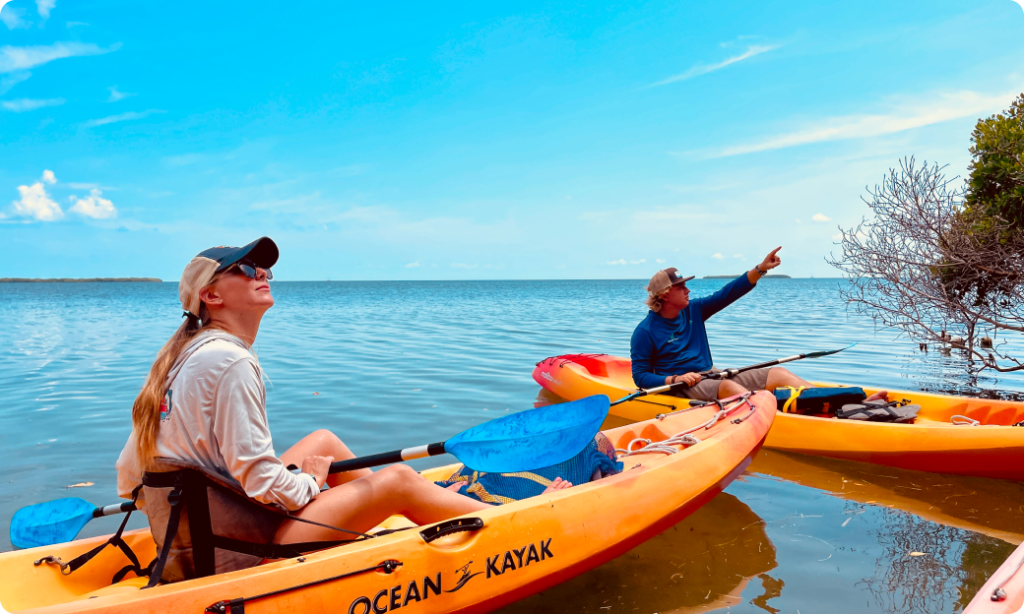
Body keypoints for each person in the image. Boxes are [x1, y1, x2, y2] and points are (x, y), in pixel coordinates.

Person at [116, 237, 495, 554]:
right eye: (246, 270)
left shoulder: (184, 357)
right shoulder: (229, 360)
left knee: (323, 441)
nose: (262, 274)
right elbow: (263, 482)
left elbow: (127, 478)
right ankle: (499, 518)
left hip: (204, 532)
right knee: (398, 479)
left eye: (264, 270)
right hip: (236, 549)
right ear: (211, 294)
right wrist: (311, 484)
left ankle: (390, 513)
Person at [630, 247, 888, 403]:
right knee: (730, 388)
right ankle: (773, 411)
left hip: (713, 374)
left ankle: (847, 400)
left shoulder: (694, 311)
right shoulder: (645, 332)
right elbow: (640, 377)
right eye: (681, 287)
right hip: (682, 388)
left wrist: (760, 269)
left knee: (780, 375)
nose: (688, 290)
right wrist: (676, 377)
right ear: (664, 295)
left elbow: (728, 293)